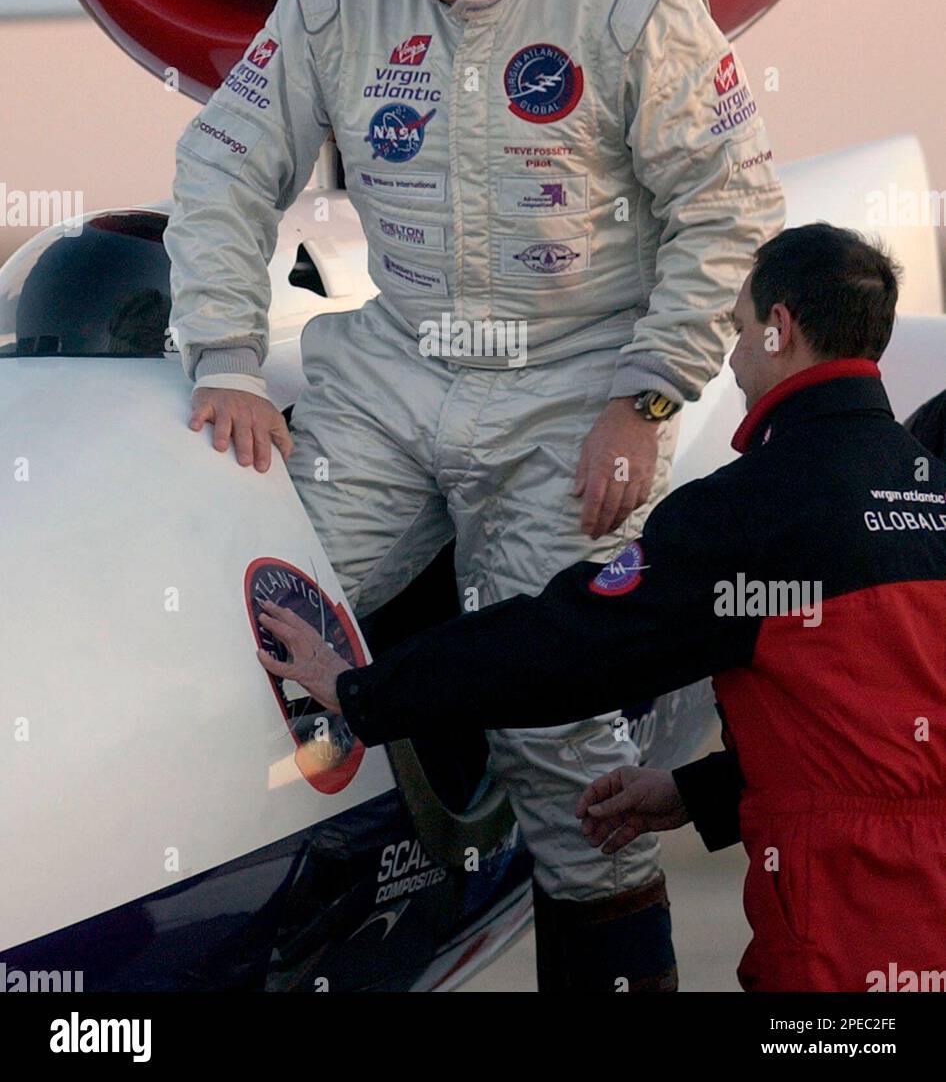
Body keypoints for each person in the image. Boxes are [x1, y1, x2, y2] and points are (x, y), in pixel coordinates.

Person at [163, 0, 784, 992]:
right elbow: (225, 165)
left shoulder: (630, 7)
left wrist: (648, 394)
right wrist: (227, 353)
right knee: (243, 608)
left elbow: (731, 209)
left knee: (561, 743)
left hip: (574, 383)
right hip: (394, 372)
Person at [257, 224, 946, 994]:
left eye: (741, 328)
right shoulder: (934, 484)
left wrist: (362, 689)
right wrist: (699, 793)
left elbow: (569, 646)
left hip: (855, 924)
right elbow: (887, 726)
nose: (732, 354)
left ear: (780, 331)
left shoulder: (752, 510)